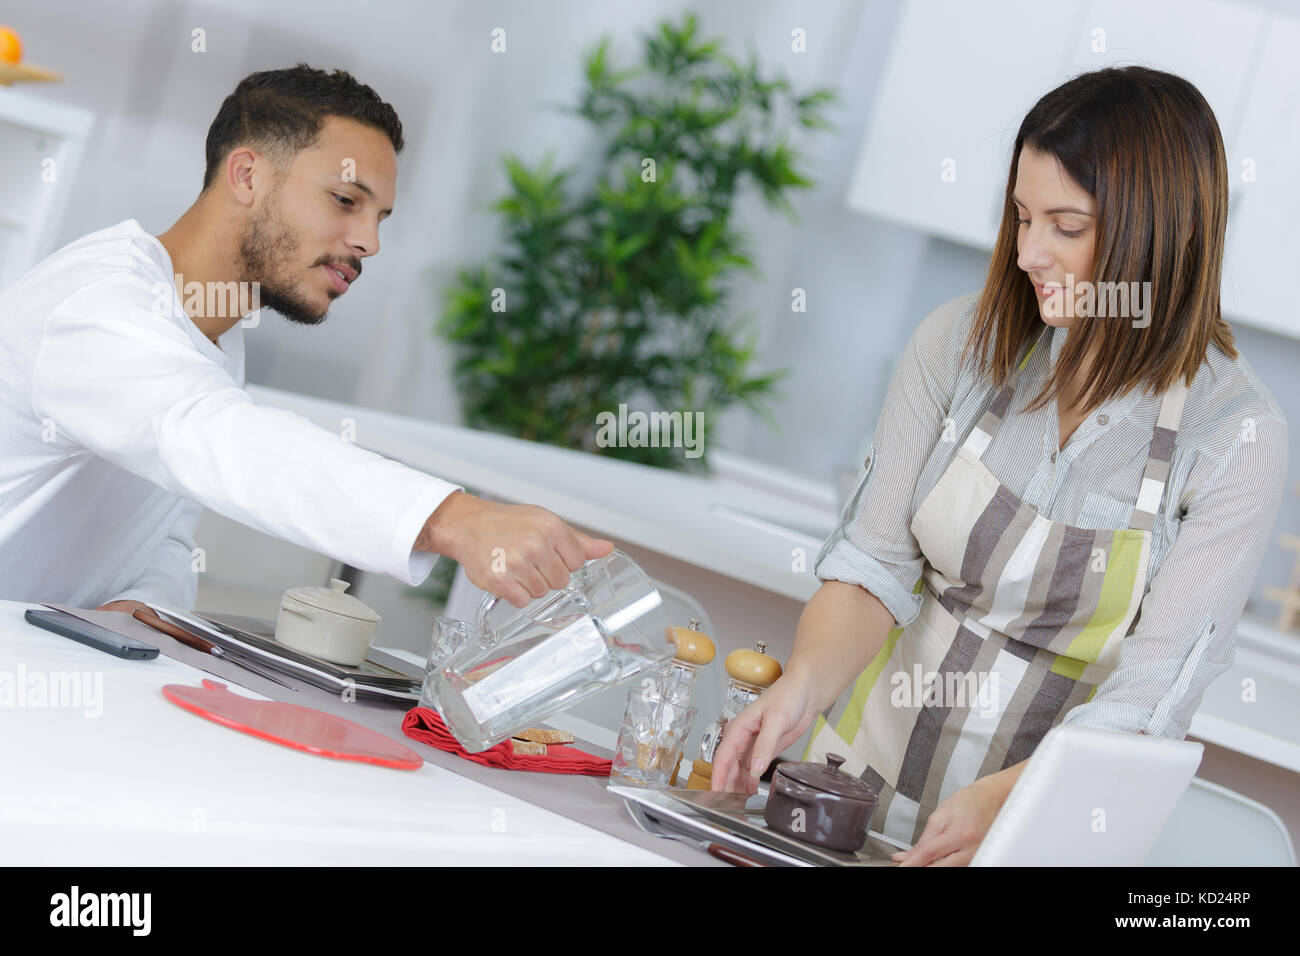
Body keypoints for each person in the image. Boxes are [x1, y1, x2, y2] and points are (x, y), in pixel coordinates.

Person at [711, 66, 1288, 866]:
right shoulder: (958, 344)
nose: (1027, 253)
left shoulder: (1234, 438)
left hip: (1035, 833)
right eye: (1021, 216)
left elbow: (1149, 700)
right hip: (852, 786)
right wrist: (801, 686)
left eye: (1067, 226)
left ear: (1160, 233)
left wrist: (1003, 803)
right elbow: (872, 567)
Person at [0, 64, 611, 614]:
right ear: (246, 175)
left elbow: (165, 540)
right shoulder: (97, 306)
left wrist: (140, 608)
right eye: (346, 200)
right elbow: (216, 436)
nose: (369, 241)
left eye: (379, 219)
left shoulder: (212, 334)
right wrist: (453, 517)